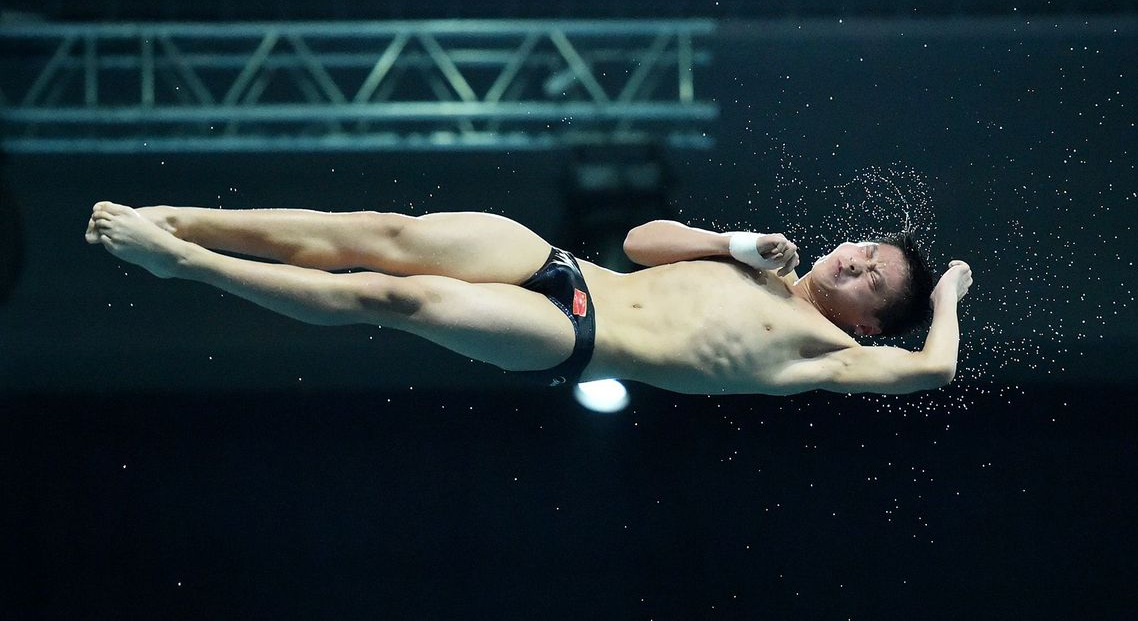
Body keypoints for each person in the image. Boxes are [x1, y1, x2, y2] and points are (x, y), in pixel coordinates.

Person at [84, 201, 972, 395]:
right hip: (567, 268)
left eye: (872, 278)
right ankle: (182, 219)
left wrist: (947, 298)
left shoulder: (832, 354)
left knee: (394, 298)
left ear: (869, 322)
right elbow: (639, 243)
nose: (854, 261)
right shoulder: (764, 266)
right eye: (864, 250)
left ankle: (182, 262)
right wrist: (730, 242)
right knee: (382, 233)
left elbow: (933, 371)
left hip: (572, 333)